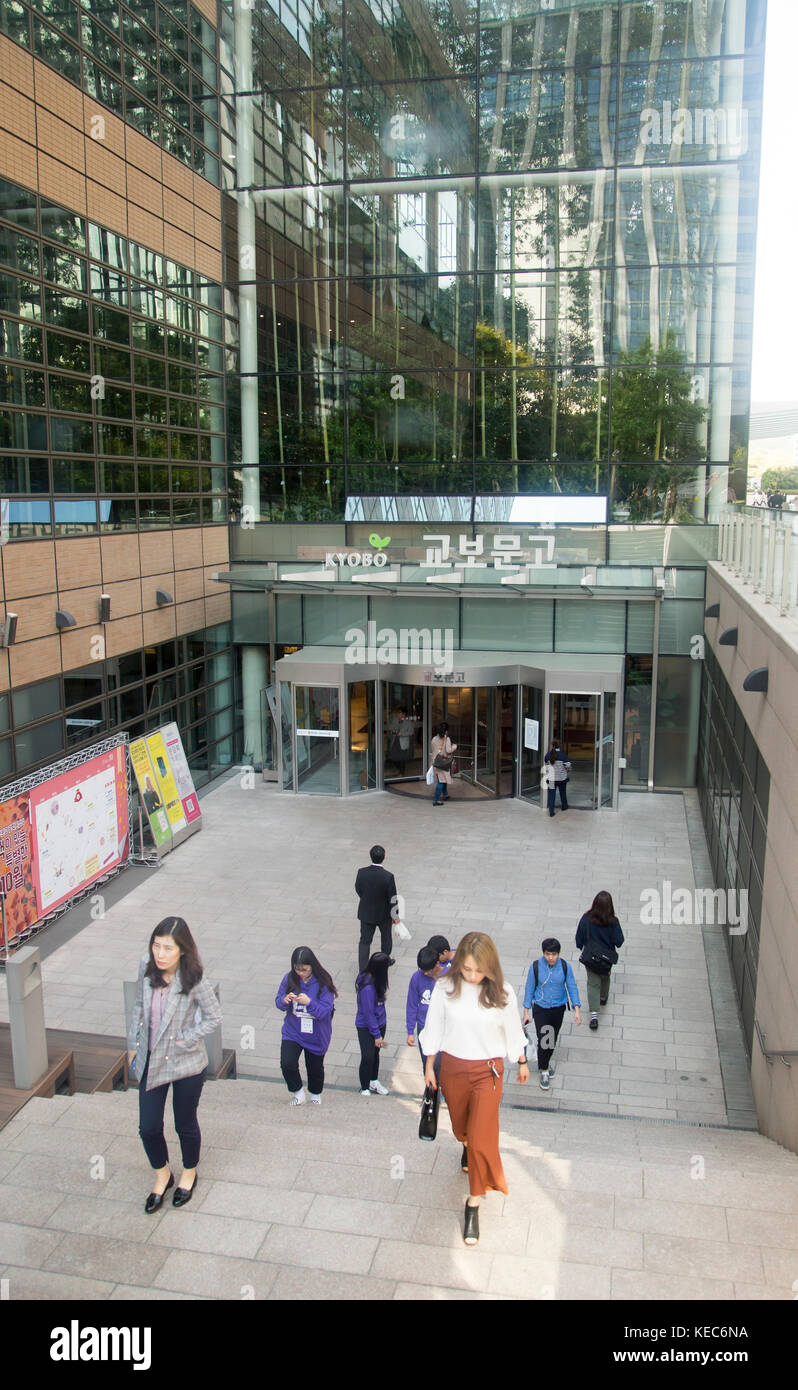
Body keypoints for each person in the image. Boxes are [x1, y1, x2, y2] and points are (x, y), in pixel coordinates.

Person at [419, 931, 528, 1246]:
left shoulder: (501, 992)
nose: (472, 976)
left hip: (488, 1072)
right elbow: (434, 1026)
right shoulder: (445, 988)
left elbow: (512, 1029)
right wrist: (429, 1065)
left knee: (482, 1138)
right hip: (453, 1068)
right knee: (461, 1129)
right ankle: (466, 1143)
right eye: (466, 970)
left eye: (478, 971)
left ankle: (473, 1203)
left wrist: (521, 1060)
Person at [127, 916, 222, 1213]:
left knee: (185, 1123)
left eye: (168, 948)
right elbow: (139, 1008)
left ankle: (189, 1172)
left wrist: (186, 1038)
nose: (160, 954)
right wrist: (132, 1045)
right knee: (148, 1127)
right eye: (157, 946)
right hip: (151, 1058)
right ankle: (163, 1174)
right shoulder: (146, 966)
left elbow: (213, 1017)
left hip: (185, 1062)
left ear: (182, 950)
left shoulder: (193, 977)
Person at [275, 947, 337, 1106]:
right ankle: (298, 1092)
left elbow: (324, 1011)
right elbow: (278, 1001)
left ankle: (315, 1093)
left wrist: (309, 1003)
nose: (300, 973)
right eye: (297, 969)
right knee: (287, 1063)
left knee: (315, 1067)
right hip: (293, 1031)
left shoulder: (323, 982)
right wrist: (285, 1000)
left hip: (316, 1034)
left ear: (312, 966)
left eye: (304, 969)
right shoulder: (289, 978)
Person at [522, 938, 582, 1090]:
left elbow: (572, 987)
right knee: (545, 1038)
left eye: (554, 954)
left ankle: (545, 1062)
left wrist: (577, 1009)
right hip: (541, 1008)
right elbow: (529, 988)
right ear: (543, 953)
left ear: (559, 954)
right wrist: (526, 1011)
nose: (551, 958)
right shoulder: (535, 967)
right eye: (548, 954)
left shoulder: (564, 967)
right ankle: (544, 1070)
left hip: (558, 1008)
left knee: (551, 1039)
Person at [575, 890, 625, 1030]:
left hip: (590, 957)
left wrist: (581, 946)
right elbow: (619, 941)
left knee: (592, 983)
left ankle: (594, 1015)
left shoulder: (586, 918)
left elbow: (579, 937)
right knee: (605, 976)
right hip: (606, 958)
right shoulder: (613, 922)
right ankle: (603, 998)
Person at [355, 951, 394, 1095]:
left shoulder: (377, 981)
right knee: (368, 1056)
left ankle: (373, 1080)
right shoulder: (367, 987)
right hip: (366, 1026)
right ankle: (365, 1087)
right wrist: (377, 1035)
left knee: (375, 1054)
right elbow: (368, 1014)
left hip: (380, 1022)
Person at [355, 844, 398, 973]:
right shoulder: (388, 876)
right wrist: (395, 916)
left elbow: (358, 889)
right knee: (386, 938)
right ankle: (385, 961)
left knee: (365, 941)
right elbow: (393, 898)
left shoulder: (361, 872)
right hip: (383, 914)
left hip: (366, 912)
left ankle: (362, 968)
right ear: (384, 857)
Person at [406, 944, 443, 1077]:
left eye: (428, 970)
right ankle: (430, 1094)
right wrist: (410, 1031)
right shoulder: (416, 977)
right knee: (427, 1064)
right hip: (424, 1027)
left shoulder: (447, 977)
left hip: (442, 1028)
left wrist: (437, 977)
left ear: (437, 964)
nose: (426, 973)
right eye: (423, 971)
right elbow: (411, 1005)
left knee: (439, 1065)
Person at [430, 721, 457, 806]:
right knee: (441, 781)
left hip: (436, 762)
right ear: (446, 731)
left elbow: (433, 750)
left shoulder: (434, 739)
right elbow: (449, 750)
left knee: (442, 778)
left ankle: (445, 795)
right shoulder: (447, 739)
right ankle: (436, 800)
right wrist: (454, 747)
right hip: (443, 763)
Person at [544, 743, 570, 815]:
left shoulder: (548, 755)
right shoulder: (563, 755)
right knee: (563, 793)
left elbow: (546, 766)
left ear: (552, 746)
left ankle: (551, 812)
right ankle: (564, 806)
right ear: (559, 746)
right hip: (562, 779)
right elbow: (568, 766)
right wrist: (566, 770)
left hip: (551, 779)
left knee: (551, 795)